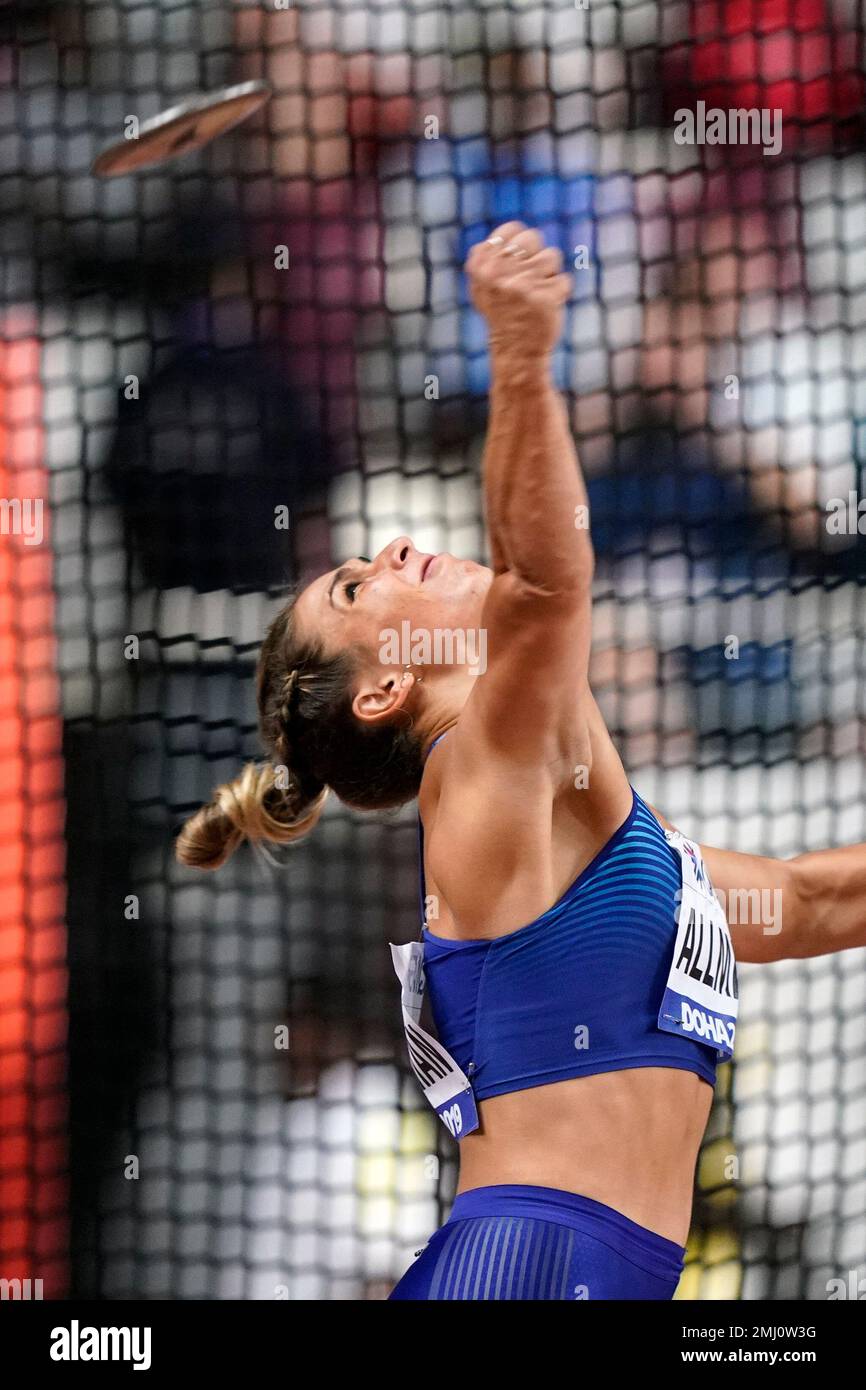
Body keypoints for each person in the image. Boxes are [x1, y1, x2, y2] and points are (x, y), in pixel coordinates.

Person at [177, 223, 866, 1300]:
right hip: (525, 1266)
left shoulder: (618, 855)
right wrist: (517, 351)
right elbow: (540, 586)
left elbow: (812, 901)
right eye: (357, 587)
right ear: (382, 690)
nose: (393, 549)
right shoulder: (473, 767)